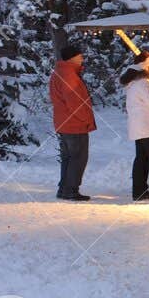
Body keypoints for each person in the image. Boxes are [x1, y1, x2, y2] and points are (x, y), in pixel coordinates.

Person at [49, 43, 95, 200]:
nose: (82, 59)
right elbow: (75, 103)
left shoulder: (60, 72)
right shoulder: (69, 76)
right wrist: (87, 120)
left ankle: (64, 188)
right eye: (80, 56)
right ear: (73, 58)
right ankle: (71, 190)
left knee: (68, 157)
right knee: (78, 158)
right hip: (74, 125)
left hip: (64, 123)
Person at [119, 49, 149, 201]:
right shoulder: (146, 83)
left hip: (139, 128)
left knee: (141, 159)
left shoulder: (133, 83)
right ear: (148, 67)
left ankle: (138, 191)